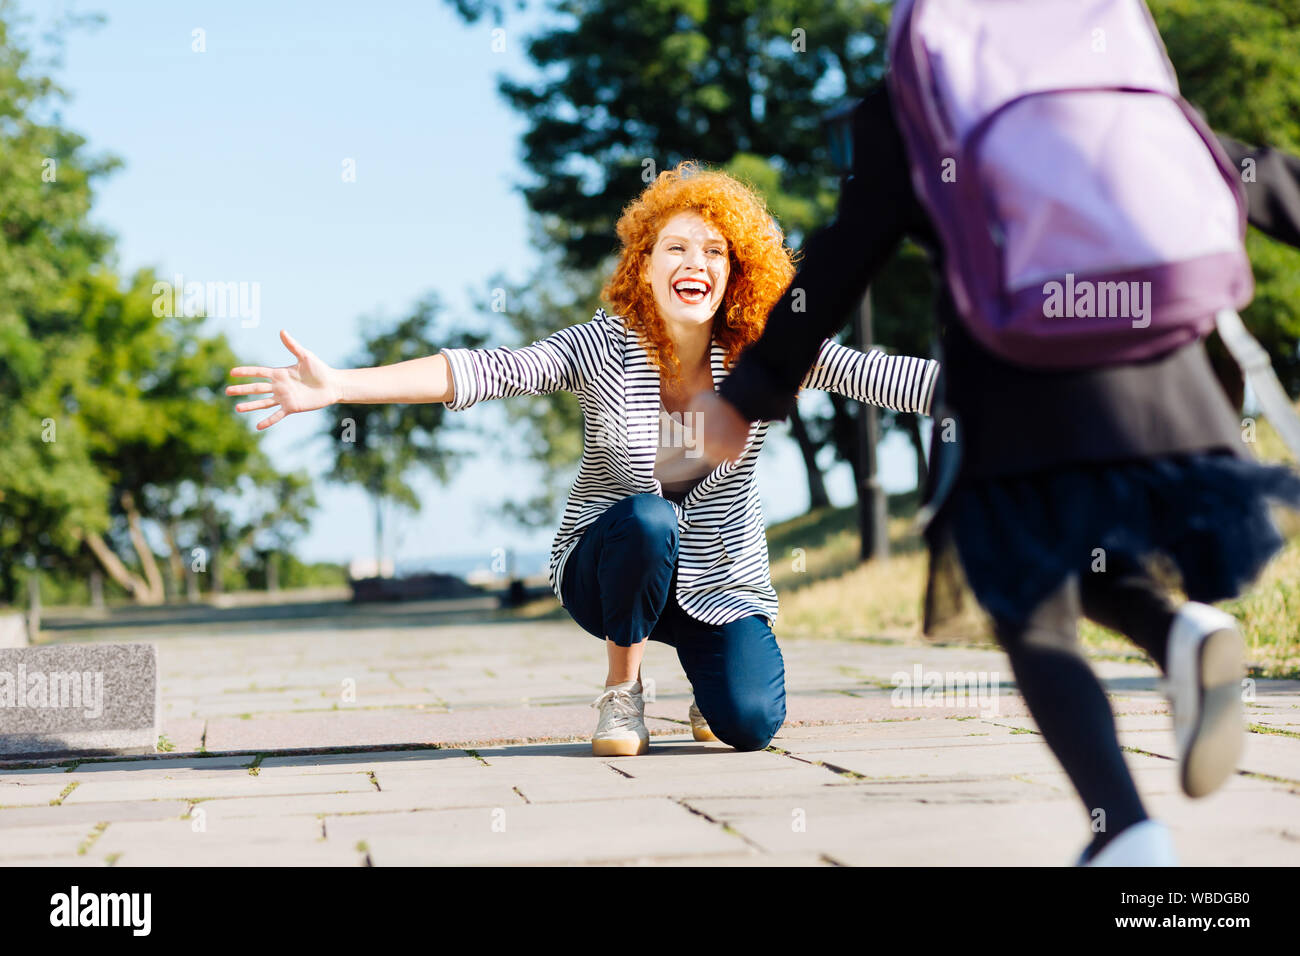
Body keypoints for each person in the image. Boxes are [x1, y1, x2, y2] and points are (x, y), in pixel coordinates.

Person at [695, 74, 1300, 864]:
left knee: (1028, 601)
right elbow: (1238, 167)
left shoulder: (920, 96)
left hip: (1018, 380)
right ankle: (1177, 629)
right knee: (1082, 556)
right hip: (1165, 369)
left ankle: (1125, 830)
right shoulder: (1099, 75)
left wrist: (752, 387)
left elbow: (848, 249)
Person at [227, 163, 938, 757]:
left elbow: (882, 377)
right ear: (645, 267)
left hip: (719, 586)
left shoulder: (760, 353)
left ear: (738, 271)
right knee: (649, 519)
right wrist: (342, 385)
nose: (696, 264)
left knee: (749, 726)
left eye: (715, 252)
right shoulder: (602, 347)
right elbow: (483, 370)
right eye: (676, 249)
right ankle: (621, 693)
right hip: (608, 566)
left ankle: (705, 679)